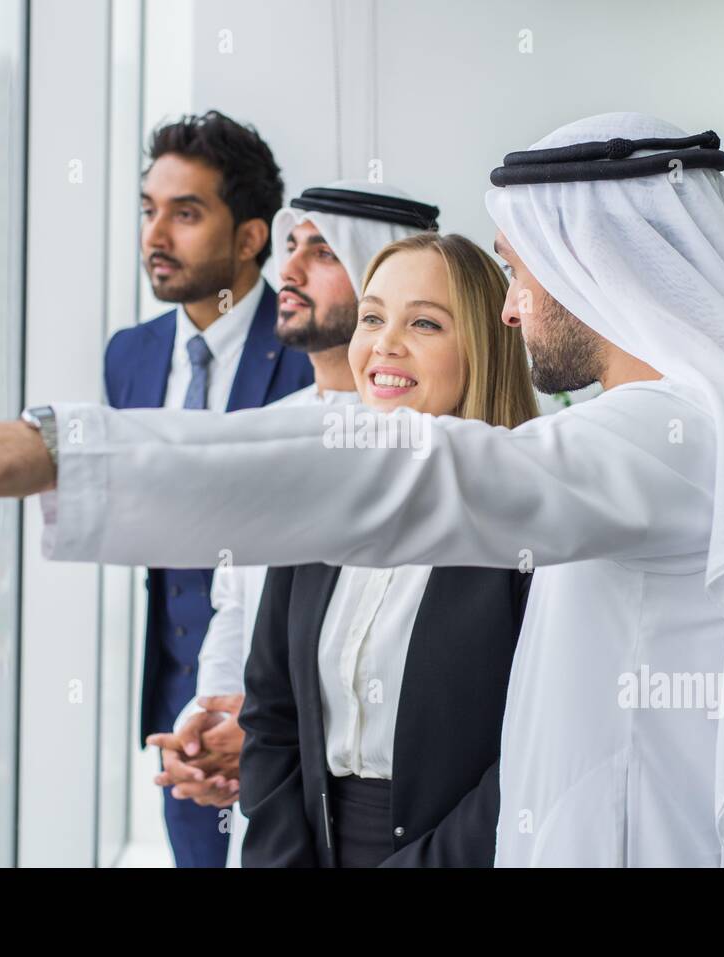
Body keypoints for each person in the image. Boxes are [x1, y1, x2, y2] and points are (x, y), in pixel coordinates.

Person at [0, 112, 724, 867]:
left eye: (521, 273)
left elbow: (409, 473)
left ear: (601, 272)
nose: (511, 308)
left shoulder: (688, 430)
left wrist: (66, 452)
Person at [146, 182, 441, 867]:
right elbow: (233, 604)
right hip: (273, 805)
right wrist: (211, 719)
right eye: (289, 248)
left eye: (323, 252)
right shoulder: (263, 434)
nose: (291, 271)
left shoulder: (437, 451)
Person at [241, 232, 538, 867]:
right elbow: (270, 718)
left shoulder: (531, 521)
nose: (385, 344)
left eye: (424, 323)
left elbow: (533, 753)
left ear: (483, 349)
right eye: (372, 317)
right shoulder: (318, 500)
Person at [109, 110, 314, 868]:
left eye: (186, 213)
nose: (156, 235)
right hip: (178, 709)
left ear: (252, 236)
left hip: (287, 714)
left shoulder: (308, 351)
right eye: (148, 209)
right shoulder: (129, 357)